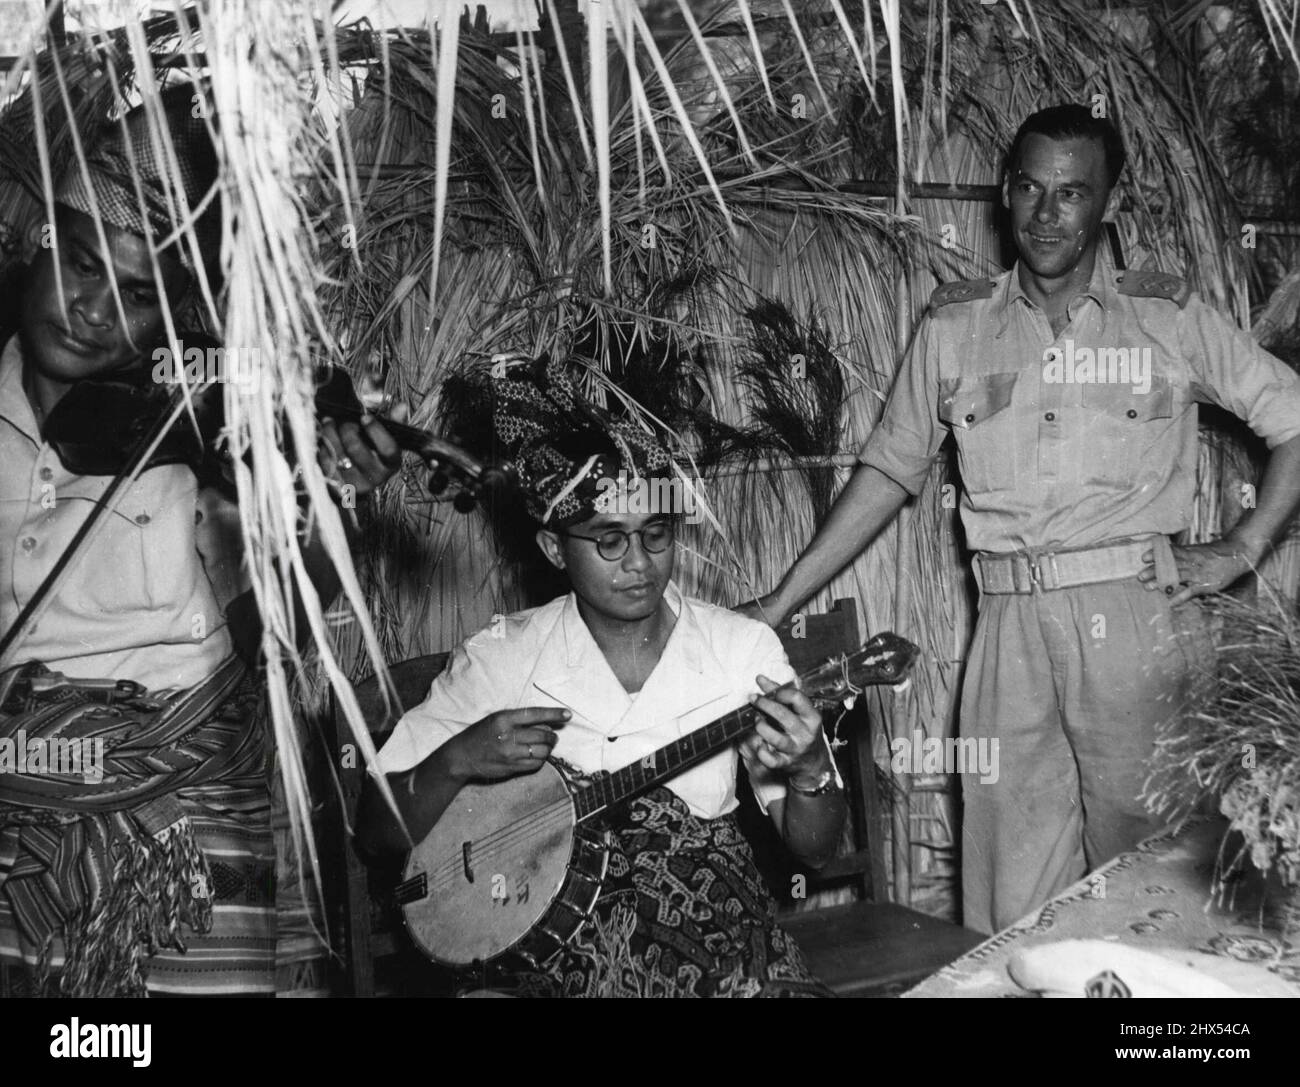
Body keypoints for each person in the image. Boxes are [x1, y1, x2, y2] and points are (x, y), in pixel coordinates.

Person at [745, 104, 1300, 934]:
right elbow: (888, 472)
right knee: (1011, 900)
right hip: (1006, 629)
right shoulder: (954, 325)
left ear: (1107, 202)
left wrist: (1244, 547)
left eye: (1072, 193)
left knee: (1159, 883)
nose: (1047, 214)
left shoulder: (1167, 318)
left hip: (1139, 621)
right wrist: (779, 603)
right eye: (1031, 189)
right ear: (1005, 192)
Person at [0, 84, 404, 995]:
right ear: (33, 246)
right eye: (79, 264)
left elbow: (280, 624)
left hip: (175, 814)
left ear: (167, 320)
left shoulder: (201, 432)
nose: (95, 309)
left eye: (137, 294)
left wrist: (330, 489)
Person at [357, 358, 846, 997]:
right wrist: (458, 760)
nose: (639, 563)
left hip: (717, 933)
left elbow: (813, 852)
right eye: (608, 540)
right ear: (555, 549)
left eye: (655, 534)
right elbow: (374, 827)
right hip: (549, 949)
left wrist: (810, 770)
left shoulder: (739, 648)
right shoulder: (505, 658)